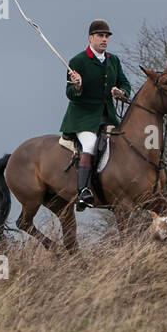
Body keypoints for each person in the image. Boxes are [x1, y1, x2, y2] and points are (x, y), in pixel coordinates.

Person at [62, 19, 131, 211]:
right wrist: (77, 85)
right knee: (90, 144)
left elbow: (126, 84)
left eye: (107, 36)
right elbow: (69, 94)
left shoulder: (113, 60)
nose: (104, 39)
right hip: (83, 118)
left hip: (108, 117)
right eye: (100, 36)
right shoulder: (78, 61)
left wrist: (121, 92)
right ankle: (83, 191)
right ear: (90, 38)